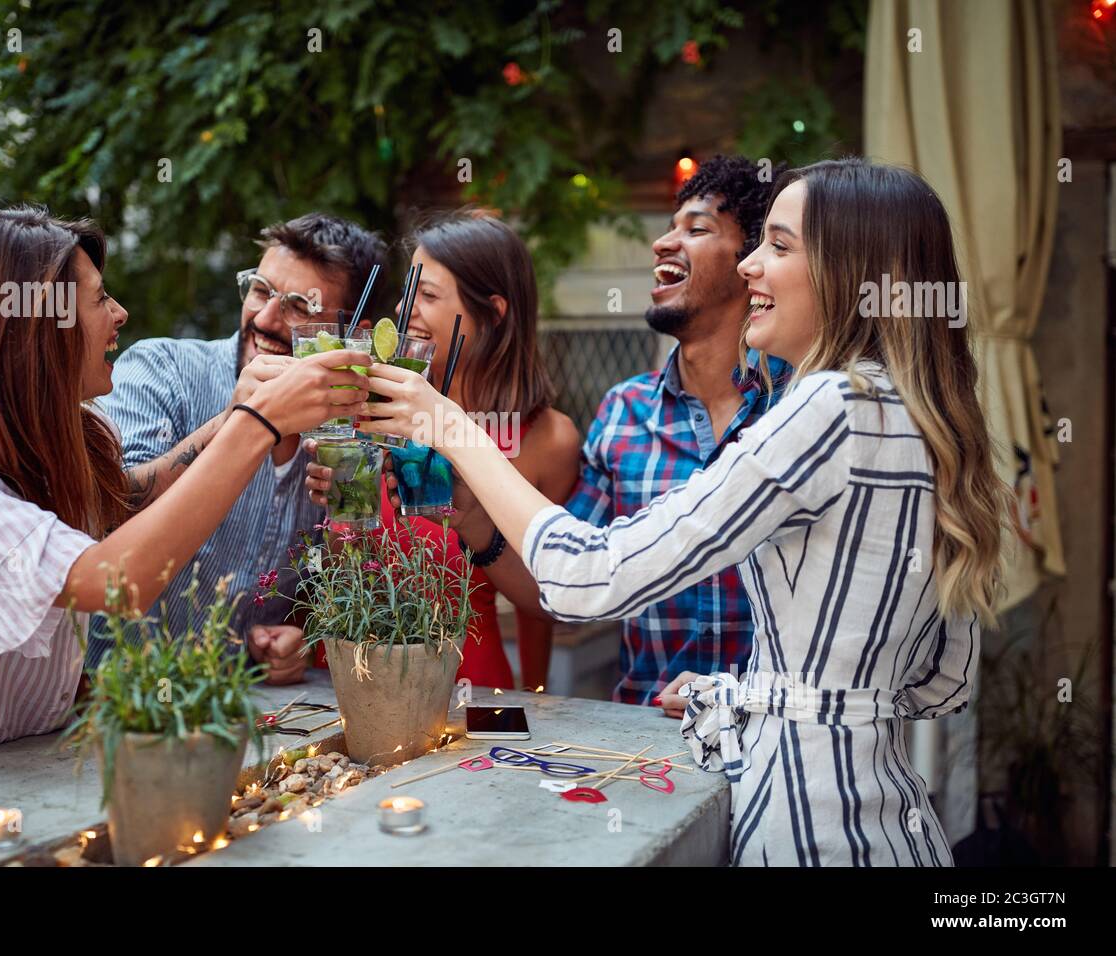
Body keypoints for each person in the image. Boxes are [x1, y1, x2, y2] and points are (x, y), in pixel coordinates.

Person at [357, 158, 1009, 865]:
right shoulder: (923, 416)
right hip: (892, 823)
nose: (754, 266)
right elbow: (940, 681)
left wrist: (451, 427)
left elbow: (588, 575)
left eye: (780, 246)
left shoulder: (827, 407)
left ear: (850, 273)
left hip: (808, 828)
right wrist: (759, 692)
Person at [0, 206, 368, 786]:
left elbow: (125, 504)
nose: (120, 314)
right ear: (30, 326)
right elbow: (117, 581)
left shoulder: (63, 444)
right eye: (99, 299)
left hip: (22, 780)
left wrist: (247, 422)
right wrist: (255, 423)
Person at [86, 214, 388, 683]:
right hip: (123, 706)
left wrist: (296, 637)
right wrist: (239, 421)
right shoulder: (162, 367)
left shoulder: (351, 436)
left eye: (298, 308)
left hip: (247, 719)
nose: (266, 319)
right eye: (262, 290)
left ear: (354, 332)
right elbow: (110, 512)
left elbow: (347, 592)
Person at [305, 211, 581, 689]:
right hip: (352, 678)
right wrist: (343, 505)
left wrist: (543, 705)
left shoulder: (549, 440)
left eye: (428, 295)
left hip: (465, 688)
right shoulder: (373, 409)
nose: (406, 308)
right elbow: (341, 567)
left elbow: (543, 606)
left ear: (494, 312)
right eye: (410, 289)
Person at [568, 156, 790, 705]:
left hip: (773, 750)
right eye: (671, 227)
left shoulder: (803, 412)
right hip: (643, 759)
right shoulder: (623, 411)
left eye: (696, 229)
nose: (664, 243)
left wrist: (737, 697)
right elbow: (572, 581)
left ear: (753, 264)